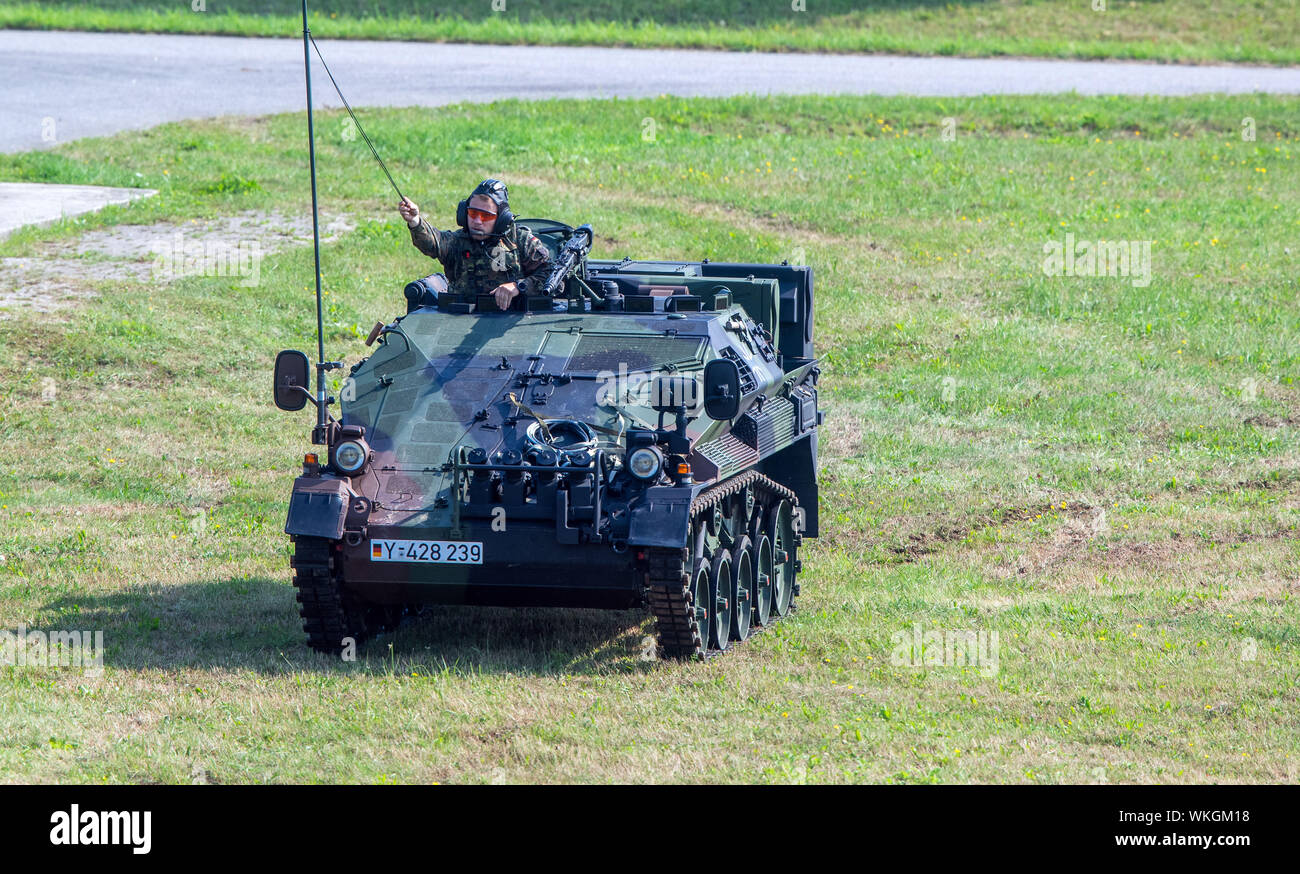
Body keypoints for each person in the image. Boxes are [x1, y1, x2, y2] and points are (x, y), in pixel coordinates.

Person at [397, 179, 554, 311]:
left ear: (501, 220)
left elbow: (551, 274)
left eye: (486, 216)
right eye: (473, 214)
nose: (477, 221)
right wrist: (415, 221)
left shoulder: (520, 240)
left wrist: (518, 287)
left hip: (511, 317)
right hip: (461, 316)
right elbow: (433, 242)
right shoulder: (457, 241)